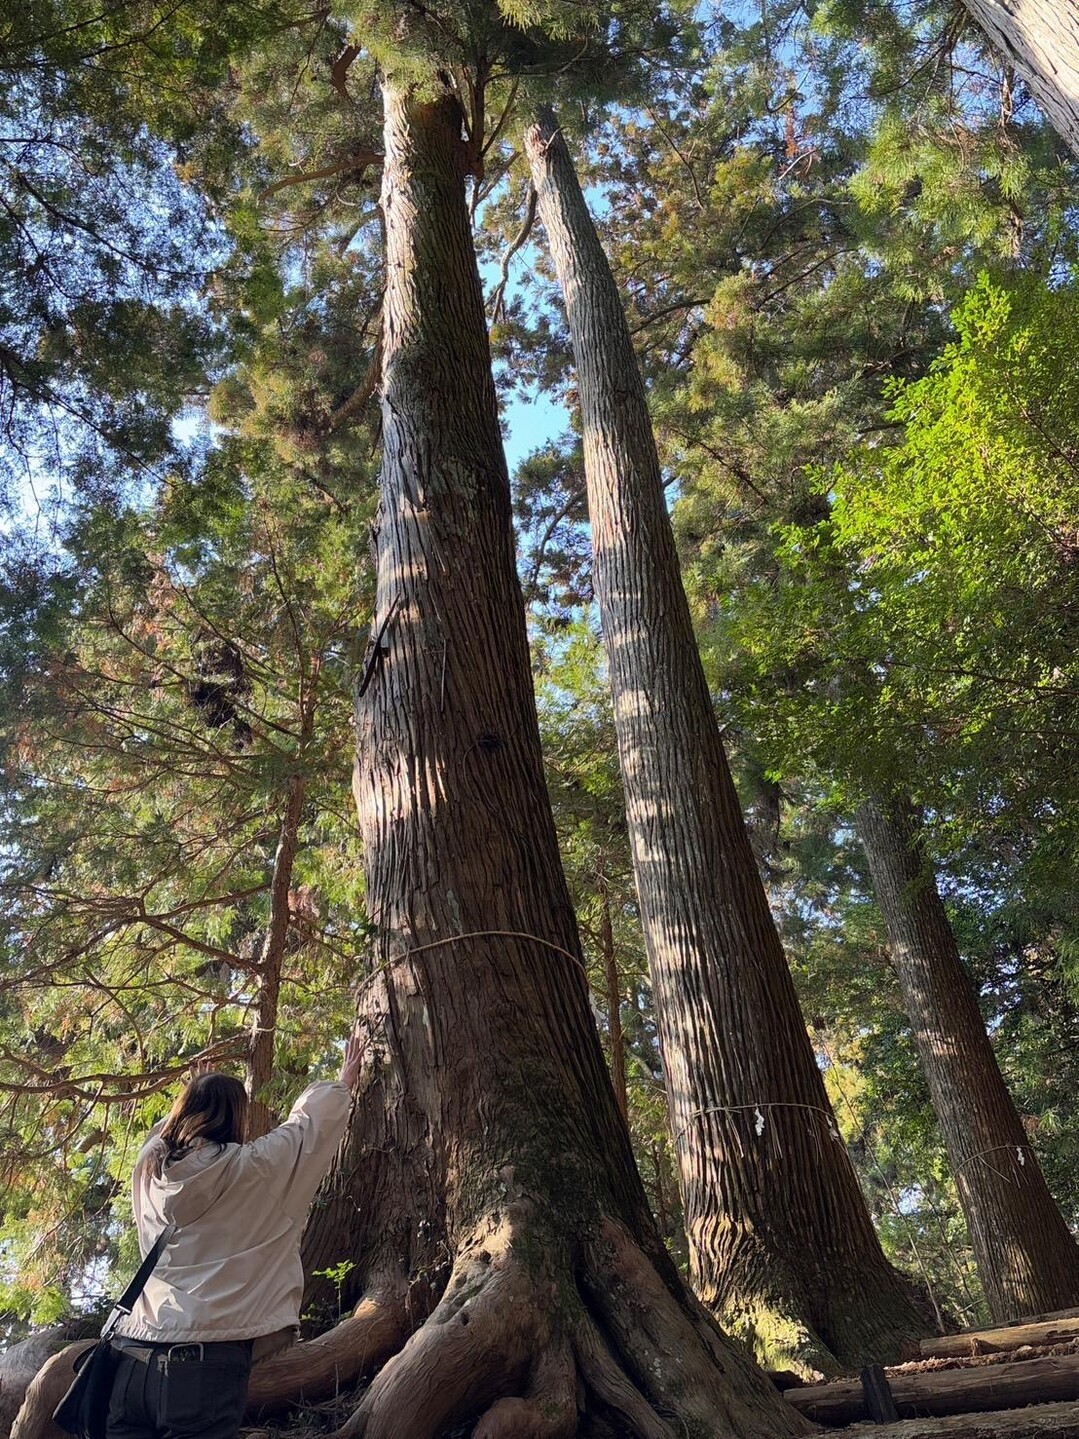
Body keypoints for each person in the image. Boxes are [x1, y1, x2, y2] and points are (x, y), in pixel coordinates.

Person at [105, 1034, 365, 1439]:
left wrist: (194, 1093)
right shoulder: (252, 1170)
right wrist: (341, 1085)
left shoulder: (149, 1172)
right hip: (203, 1368)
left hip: (132, 1362)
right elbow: (304, 1132)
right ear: (236, 1118)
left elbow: (160, 1138)